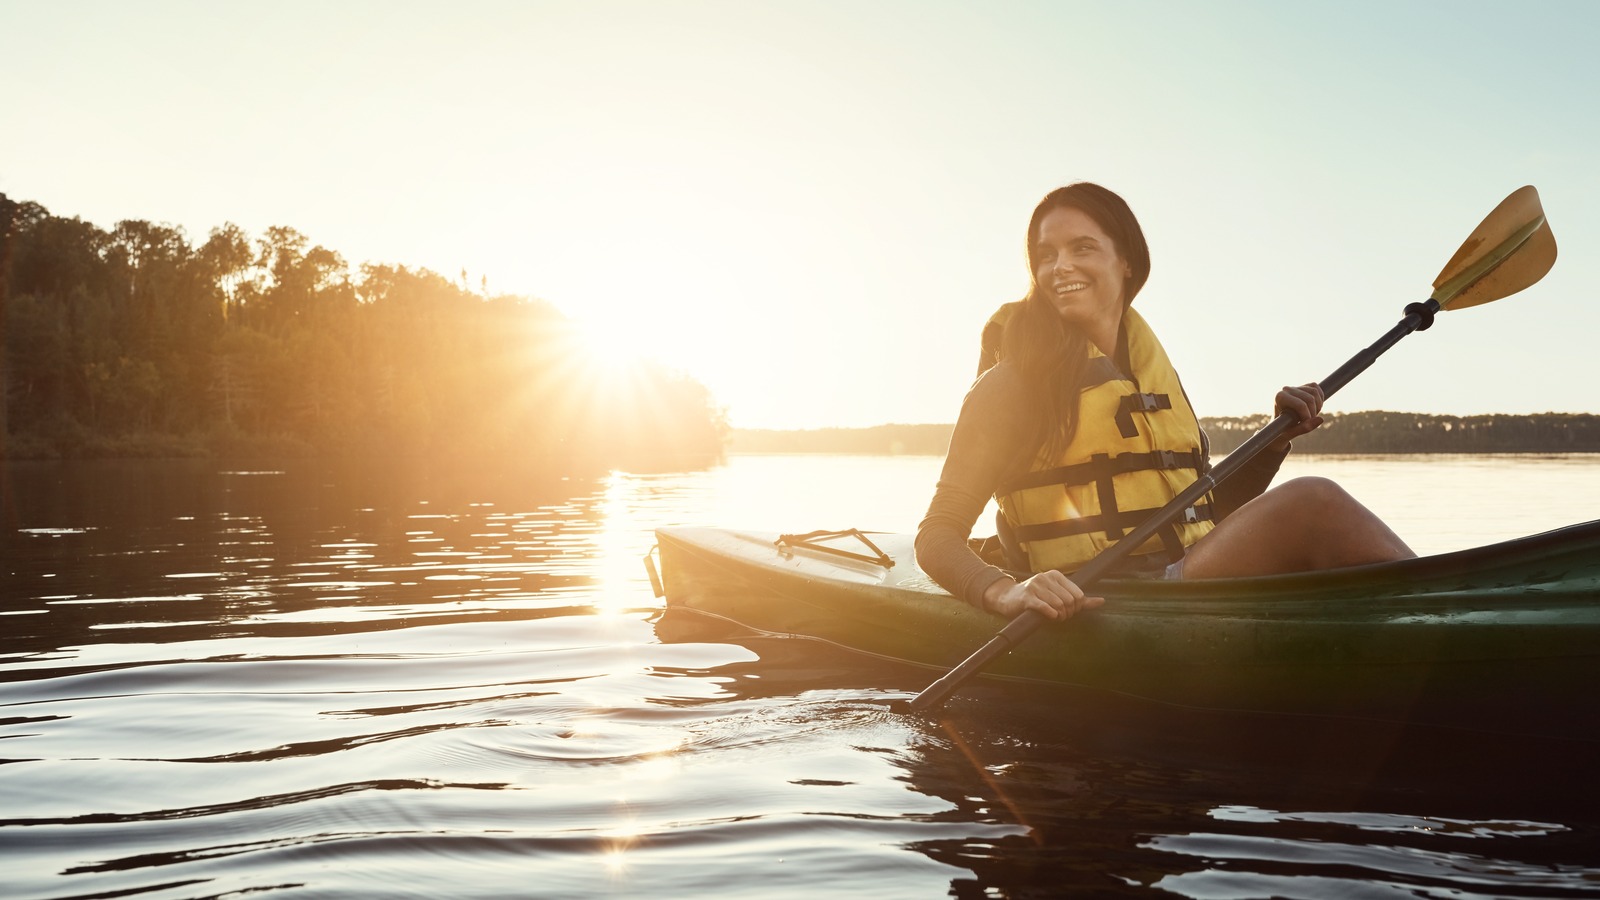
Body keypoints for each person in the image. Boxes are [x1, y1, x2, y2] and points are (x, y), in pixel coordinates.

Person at [916, 183, 1414, 623]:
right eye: (1046, 255)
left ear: (1126, 261)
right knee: (1314, 501)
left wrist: (1272, 442)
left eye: (1082, 248)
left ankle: (1424, 612)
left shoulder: (1150, 378)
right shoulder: (1010, 387)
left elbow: (1202, 514)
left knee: (1318, 524)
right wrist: (1006, 591)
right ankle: (1441, 609)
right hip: (1105, 596)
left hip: (1178, 578)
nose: (1061, 265)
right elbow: (937, 535)